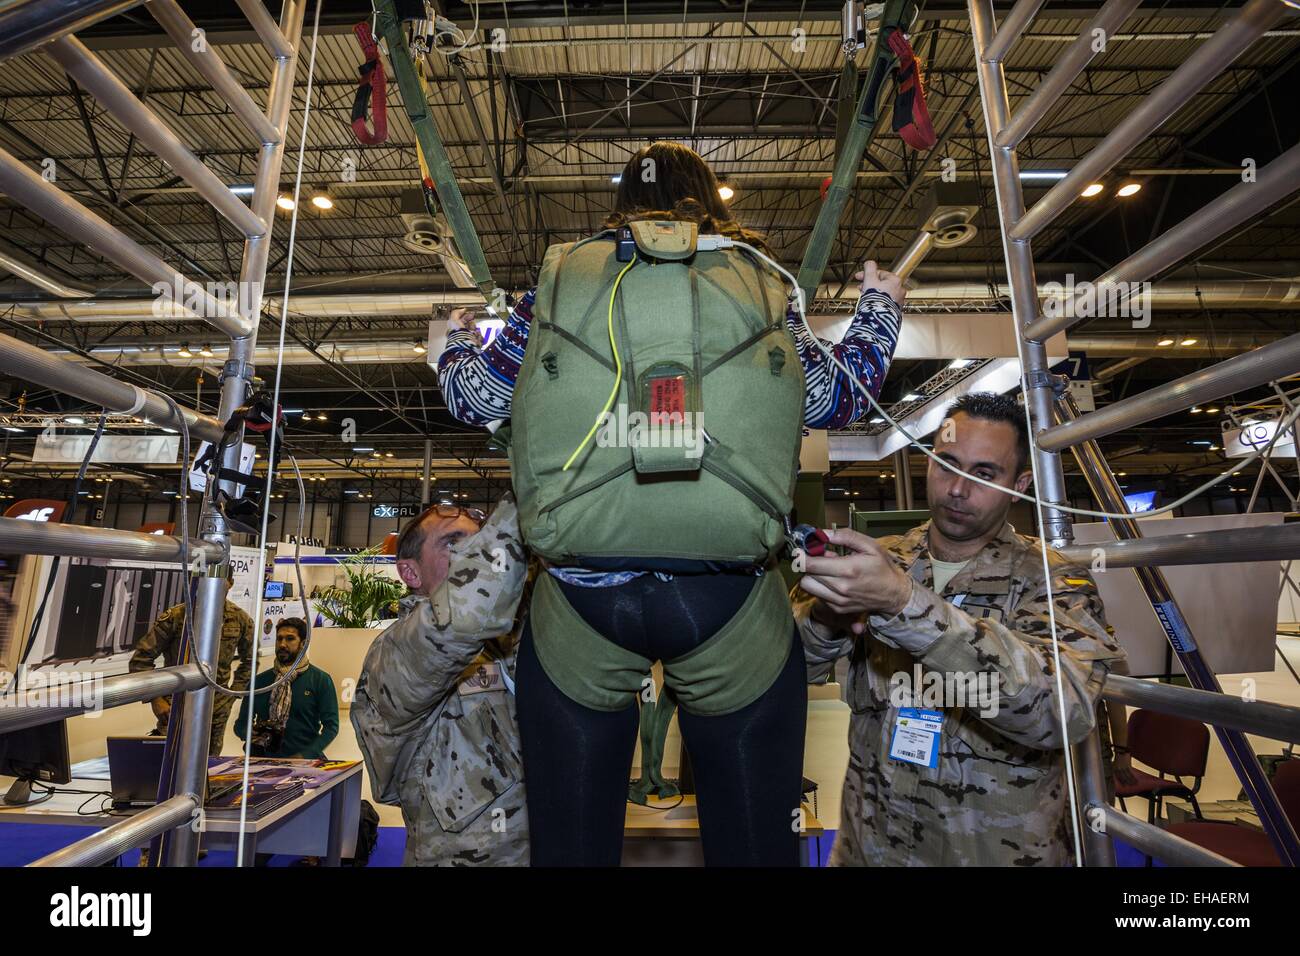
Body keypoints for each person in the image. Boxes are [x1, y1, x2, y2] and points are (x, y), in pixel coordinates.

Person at [437, 141, 906, 866]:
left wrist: (452, 347)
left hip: (579, 597)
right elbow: (841, 397)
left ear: (619, 207)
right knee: (754, 845)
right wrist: (880, 309)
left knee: (569, 849)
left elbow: (477, 399)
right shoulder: (762, 286)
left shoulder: (562, 280)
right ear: (712, 202)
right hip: (731, 599)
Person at [793, 391, 1127, 866]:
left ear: (1020, 483)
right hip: (872, 849)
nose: (956, 488)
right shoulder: (879, 563)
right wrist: (827, 617)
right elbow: (782, 669)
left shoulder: (1054, 582)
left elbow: (1061, 711)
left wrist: (905, 604)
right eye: (946, 464)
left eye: (983, 474)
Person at [350, 497, 530, 866]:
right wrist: (522, 500)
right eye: (454, 543)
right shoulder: (395, 651)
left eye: (479, 541)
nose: (474, 553)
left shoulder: (504, 639)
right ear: (411, 573)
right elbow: (461, 618)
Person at [128, 567, 253, 756]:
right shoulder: (177, 617)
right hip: (176, 706)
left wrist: (232, 695)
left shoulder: (240, 618)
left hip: (216, 709)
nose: (214, 587)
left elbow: (250, 661)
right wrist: (156, 699)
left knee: (208, 767)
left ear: (230, 583)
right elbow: (141, 660)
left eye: (221, 582)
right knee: (170, 764)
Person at [234, 617, 338, 760]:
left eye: (290, 639)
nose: (282, 644)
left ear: (303, 644)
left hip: (305, 761)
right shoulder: (260, 682)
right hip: (262, 759)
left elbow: (331, 728)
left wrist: (304, 755)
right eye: (279, 639)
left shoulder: (320, 680)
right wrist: (250, 733)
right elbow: (240, 725)